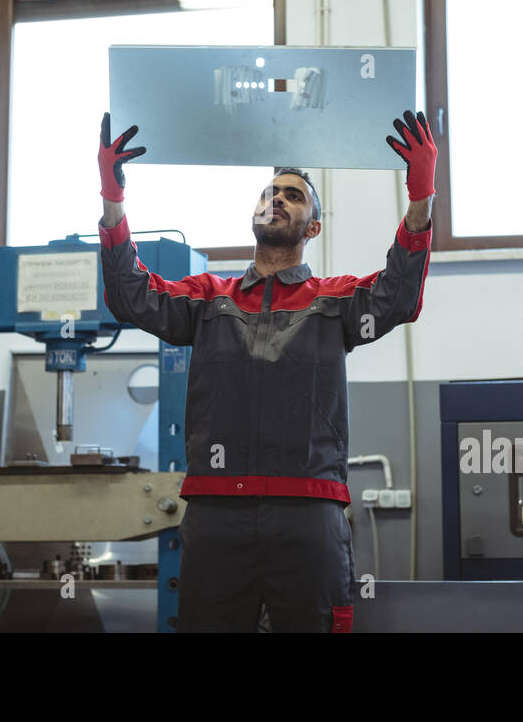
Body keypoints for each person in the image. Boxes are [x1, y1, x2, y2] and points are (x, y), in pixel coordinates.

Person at [96, 110, 436, 632]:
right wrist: (113, 201)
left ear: (313, 227)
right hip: (215, 514)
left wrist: (420, 201)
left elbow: (398, 293)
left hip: (308, 513)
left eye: (292, 195)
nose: (275, 199)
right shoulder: (210, 298)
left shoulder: (334, 300)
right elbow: (130, 297)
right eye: (268, 192)